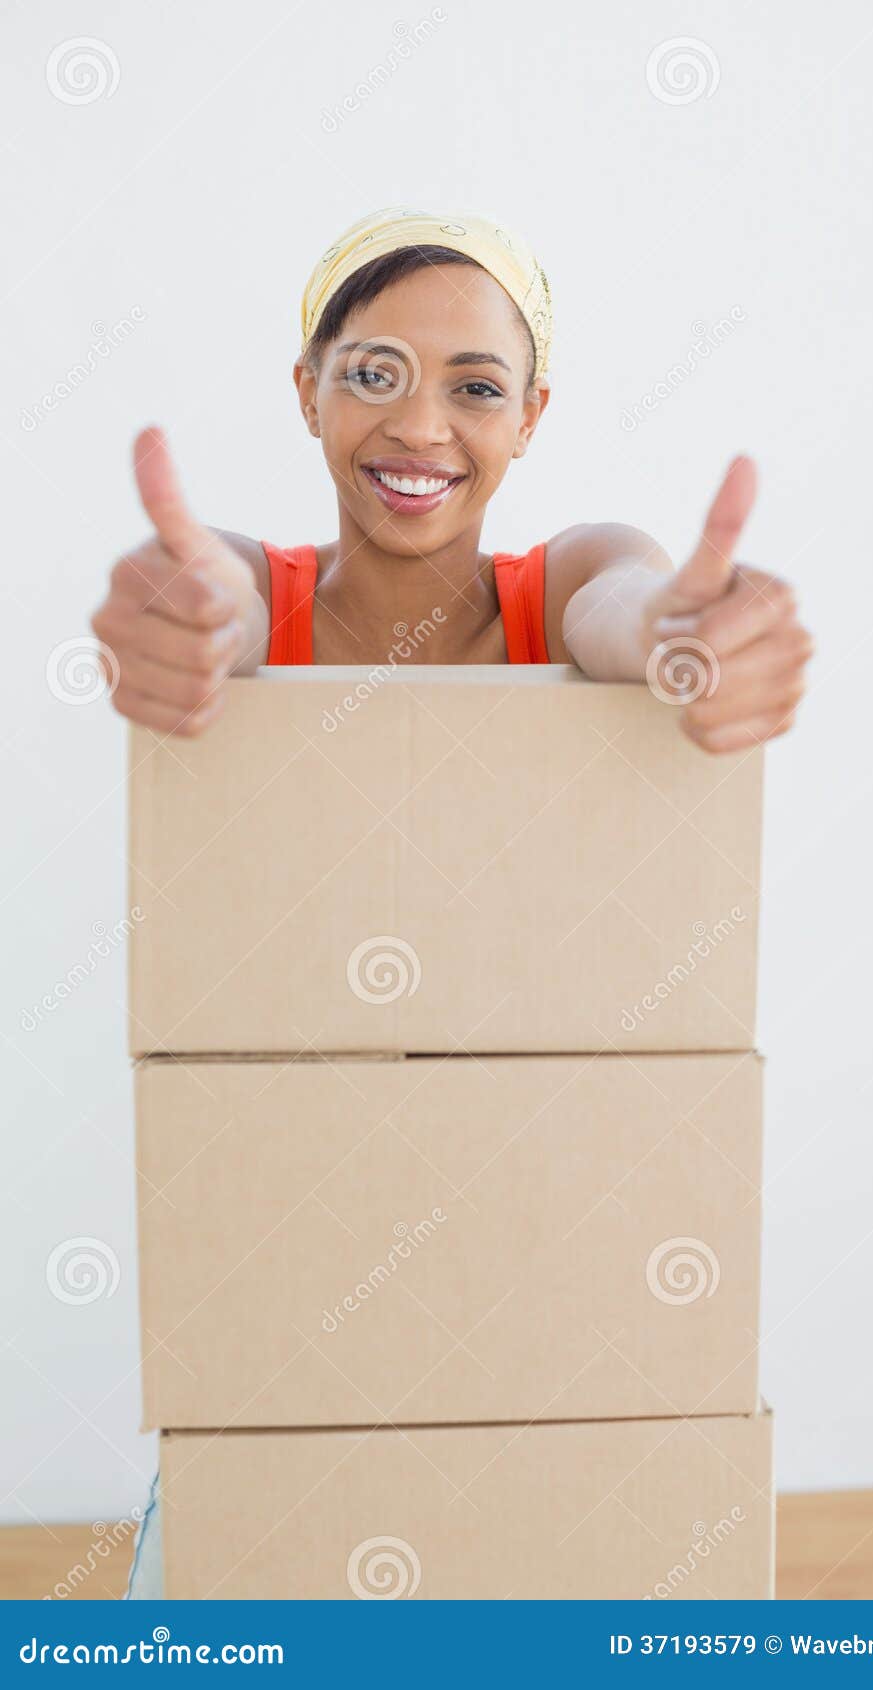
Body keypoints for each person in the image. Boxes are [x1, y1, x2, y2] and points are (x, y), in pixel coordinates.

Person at [108, 207, 812, 1598]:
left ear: (531, 415)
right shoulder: (256, 584)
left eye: (475, 386)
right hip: (301, 1274)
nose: (419, 423)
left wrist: (682, 640)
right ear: (305, 389)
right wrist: (189, 626)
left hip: (553, 1257)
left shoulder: (567, 583)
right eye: (372, 372)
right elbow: (229, 611)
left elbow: (634, 606)